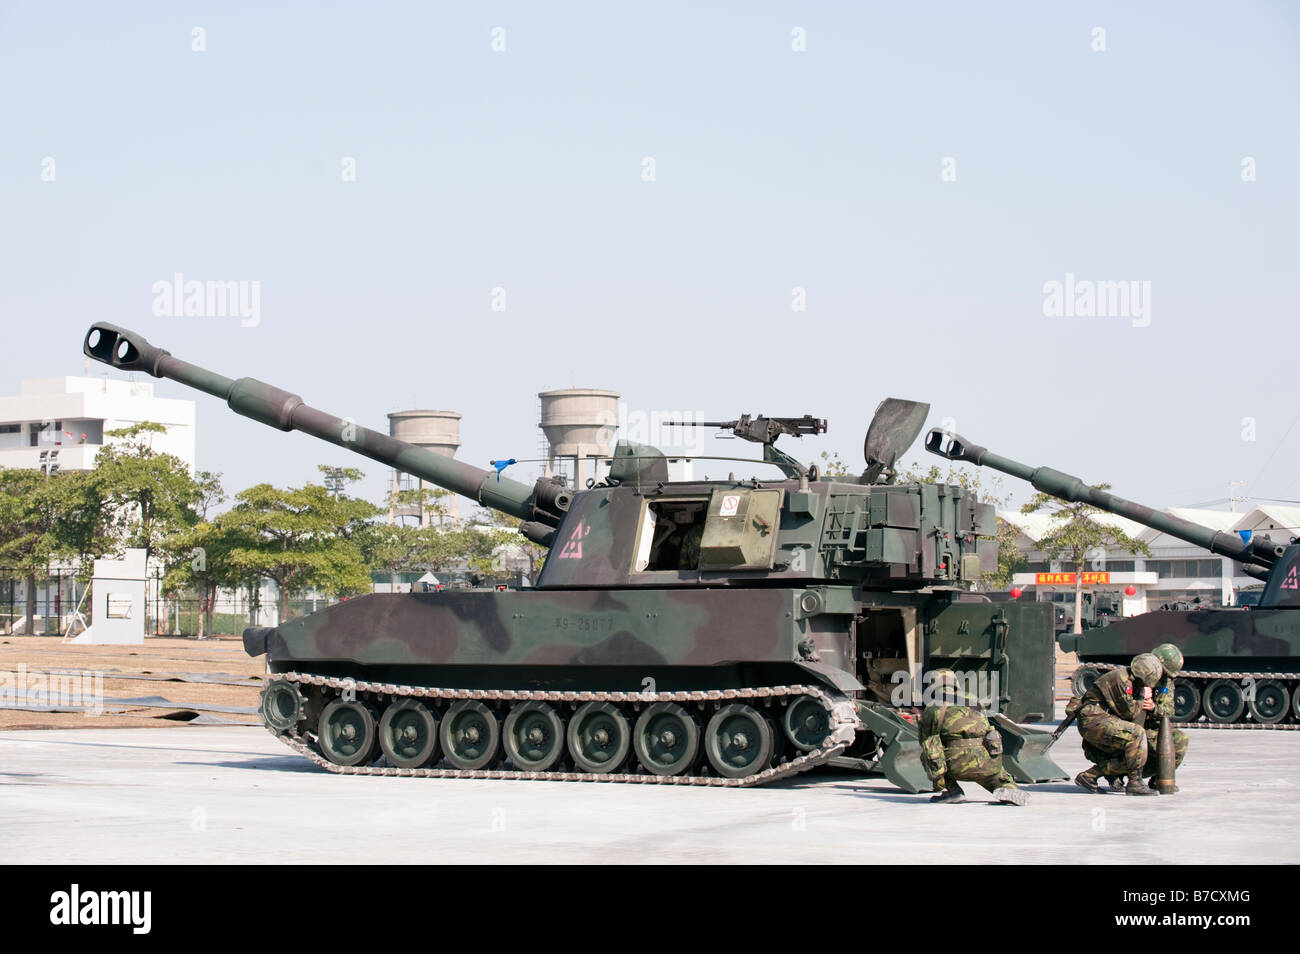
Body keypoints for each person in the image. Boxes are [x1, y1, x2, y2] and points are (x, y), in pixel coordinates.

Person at [919, 669, 1027, 805]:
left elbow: (926, 739)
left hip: (956, 764)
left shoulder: (933, 707)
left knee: (928, 750)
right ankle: (1006, 786)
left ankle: (953, 791)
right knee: (991, 775)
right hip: (986, 762)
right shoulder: (974, 700)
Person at [1072, 653, 1167, 796]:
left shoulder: (1128, 679)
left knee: (1135, 748)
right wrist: (1142, 696)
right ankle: (1134, 782)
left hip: (1100, 718)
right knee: (1136, 734)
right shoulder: (1121, 679)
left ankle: (1090, 776)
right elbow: (1130, 713)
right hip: (1092, 719)